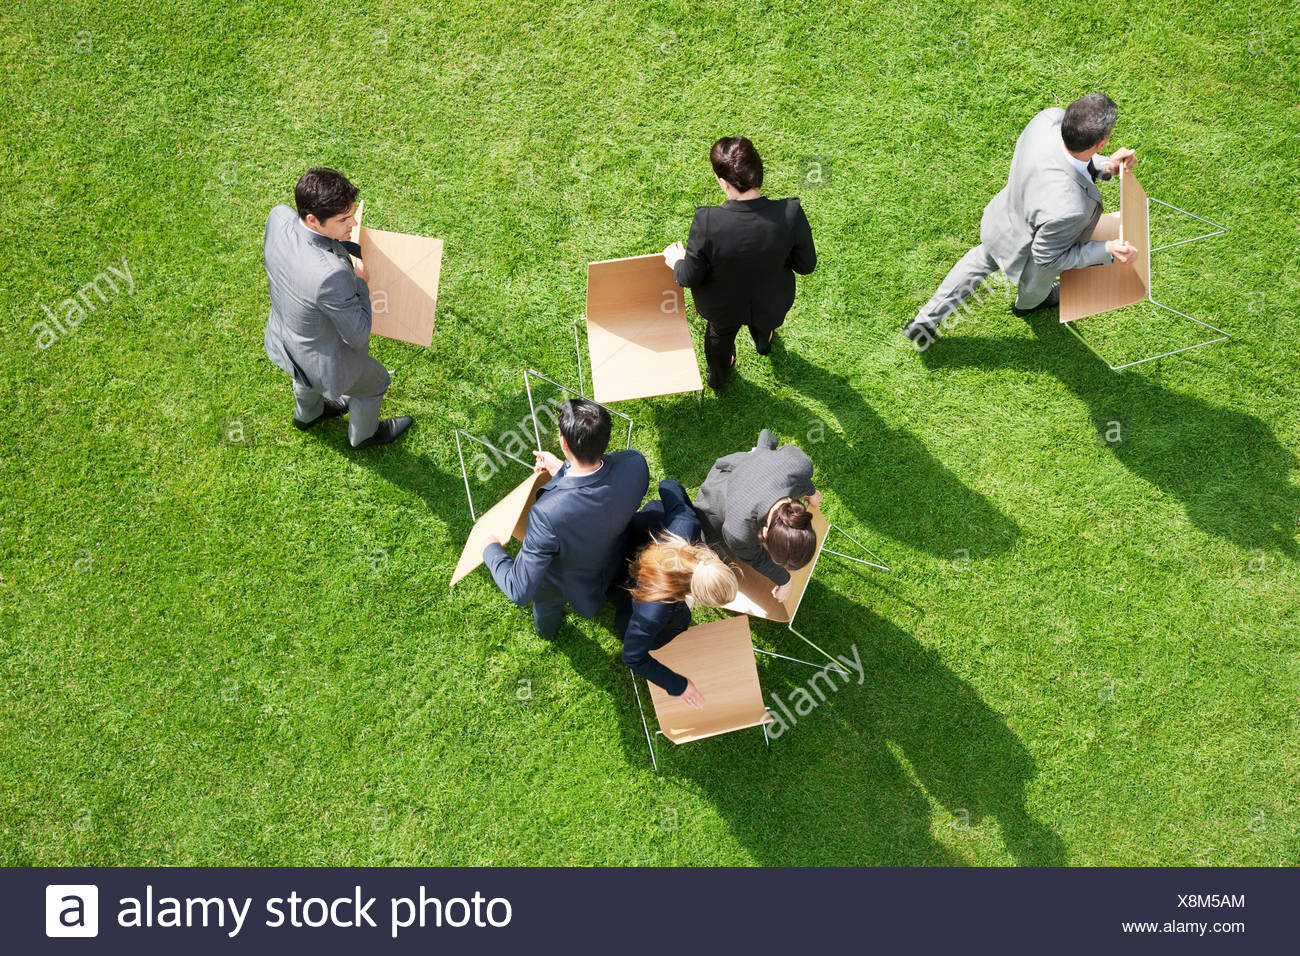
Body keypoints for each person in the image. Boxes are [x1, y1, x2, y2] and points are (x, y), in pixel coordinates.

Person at [904, 93, 1139, 348]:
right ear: (1102, 143)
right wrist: (1106, 249)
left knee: (979, 260)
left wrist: (1107, 167)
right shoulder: (1071, 208)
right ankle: (1027, 306)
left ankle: (924, 322)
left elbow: (1069, 159)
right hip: (1031, 248)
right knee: (1036, 285)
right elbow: (1047, 258)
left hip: (1004, 221)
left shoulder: (1046, 120)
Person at [263, 167, 413, 447]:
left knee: (303, 377)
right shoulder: (332, 276)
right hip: (322, 363)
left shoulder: (279, 215)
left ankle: (308, 415)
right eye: (344, 219)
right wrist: (361, 284)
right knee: (377, 382)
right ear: (313, 219)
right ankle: (363, 437)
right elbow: (357, 335)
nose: (354, 223)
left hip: (283, 339)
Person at [484, 399, 649, 638]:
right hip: (611, 558)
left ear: (563, 442)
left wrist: (489, 547)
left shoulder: (547, 515)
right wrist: (562, 470)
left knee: (547, 605)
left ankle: (546, 632)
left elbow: (519, 589)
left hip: (564, 582)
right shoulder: (635, 463)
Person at [663, 136, 817, 389]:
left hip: (723, 307)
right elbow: (806, 265)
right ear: (759, 173)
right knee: (763, 323)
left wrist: (678, 261)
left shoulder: (707, 222)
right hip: (771, 302)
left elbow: (688, 277)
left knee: (720, 336)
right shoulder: (790, 213)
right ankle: (764, 343)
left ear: (723, 183)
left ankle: (719, 376)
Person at [612, 480, 740, 710]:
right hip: (616, 572)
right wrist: (679, 685)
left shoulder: (686, 525)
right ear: (694, 594)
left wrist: (687, 511)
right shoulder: (655, 609)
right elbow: (632, 656)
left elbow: (668, 485)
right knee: (669, 628)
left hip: (638, 534)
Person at [693, 429, 822, 603]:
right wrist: (786, 580)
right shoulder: (737, 533)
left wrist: (811, 492)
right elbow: (756, 558)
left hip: (755, 468)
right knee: (712, 548)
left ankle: (757, 454)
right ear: (765, 535)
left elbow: (801, 479)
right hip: (721, 486)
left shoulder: (800, 466)